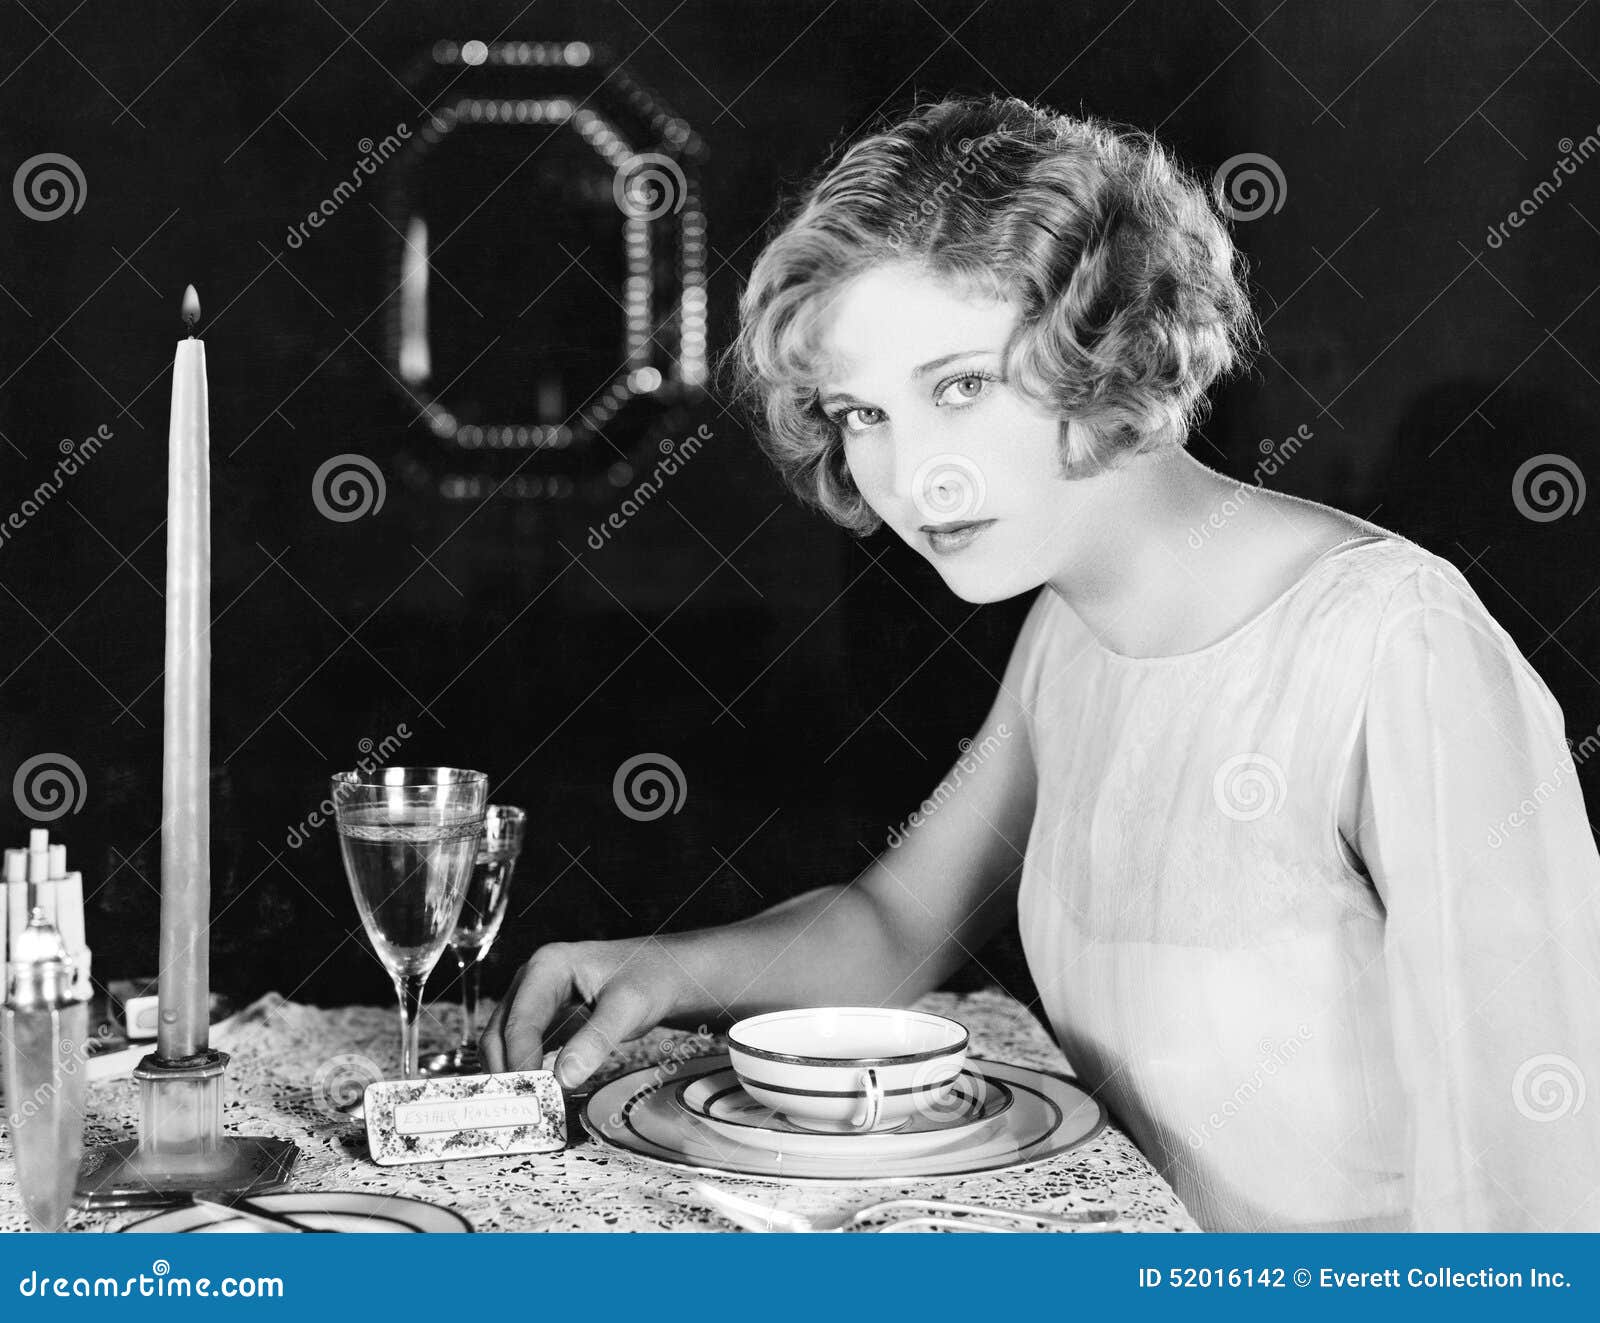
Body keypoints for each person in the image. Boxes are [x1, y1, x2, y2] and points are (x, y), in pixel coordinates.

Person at [483, 95, 1600, 1232]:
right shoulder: (1068, 622)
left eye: (960, 386)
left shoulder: (1392, 642)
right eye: (861, 411)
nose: (913, 475)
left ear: (1110, 350)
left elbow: (1540, 1183)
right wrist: (666, 973)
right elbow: (899, 927)